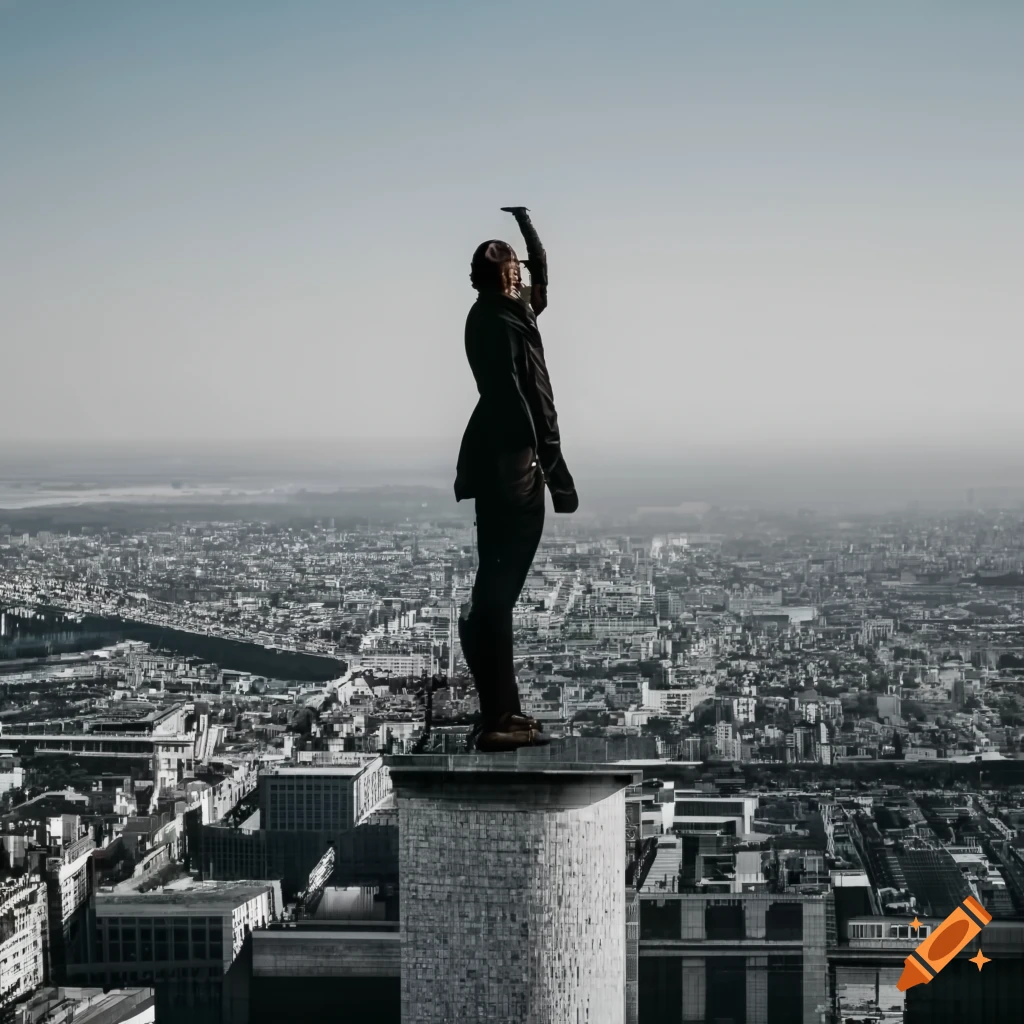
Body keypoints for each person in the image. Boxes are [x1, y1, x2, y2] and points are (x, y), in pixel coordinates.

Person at [454, 207, 578, 753]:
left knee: (493, 595)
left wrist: (527, 228)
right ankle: (499, 715)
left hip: (496, 460)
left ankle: (500, 711)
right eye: (516, 273)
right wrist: (554, 469)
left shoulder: (499, 312)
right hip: (513, 467)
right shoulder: (504, 320)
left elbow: (543, 281)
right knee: (495, 597)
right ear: (505, 279)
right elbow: (531, 398)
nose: (523, 279)